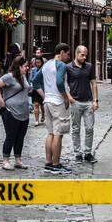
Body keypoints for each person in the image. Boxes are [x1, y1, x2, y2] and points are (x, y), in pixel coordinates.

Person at [0, 53, 32, 170]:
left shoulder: (24, 77)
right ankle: (5, 161)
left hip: (24, 113)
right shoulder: (9, 77)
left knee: (20, 137)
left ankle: (18, 160)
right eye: (25, 66)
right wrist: (1, 102)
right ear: (18, 66)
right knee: (11, 136)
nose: (27, 68)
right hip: (11, 112)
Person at [41, 43, 74, 173]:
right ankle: (56, 164)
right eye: (67, 54)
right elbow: (60, 82)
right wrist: (65, 97)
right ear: (61, 53)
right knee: (58, 134)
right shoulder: (61, 65)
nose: (68, 57)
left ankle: (49, 162)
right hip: (58, 102)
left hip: (47, 101)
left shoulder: (46, 64)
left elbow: (36, 81)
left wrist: (45, 95)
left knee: (50, 133)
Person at [65, 44, 99, 164]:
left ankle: (88, 152)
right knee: (76, 129)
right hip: (76, 102)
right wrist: (69, 98)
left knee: (89, 128)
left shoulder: (89, 67)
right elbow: (65, 84)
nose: (84, 57)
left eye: (85, 55)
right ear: (76, 54)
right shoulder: (69, 67)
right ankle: (78, 153)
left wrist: (95, 100)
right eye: (82, 55)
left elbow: (94, 83)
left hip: (88, 101)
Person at [29, 48, 45, 127]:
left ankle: (43, 115)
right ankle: (36, 120)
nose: (38, 64)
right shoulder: (33, 69)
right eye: (36, 62)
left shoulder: (44, 69)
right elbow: (31, 79)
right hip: (35, 90)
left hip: (42, 89)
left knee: (42, 105)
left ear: (42, 62)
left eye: (39, 62)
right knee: (36, 104)